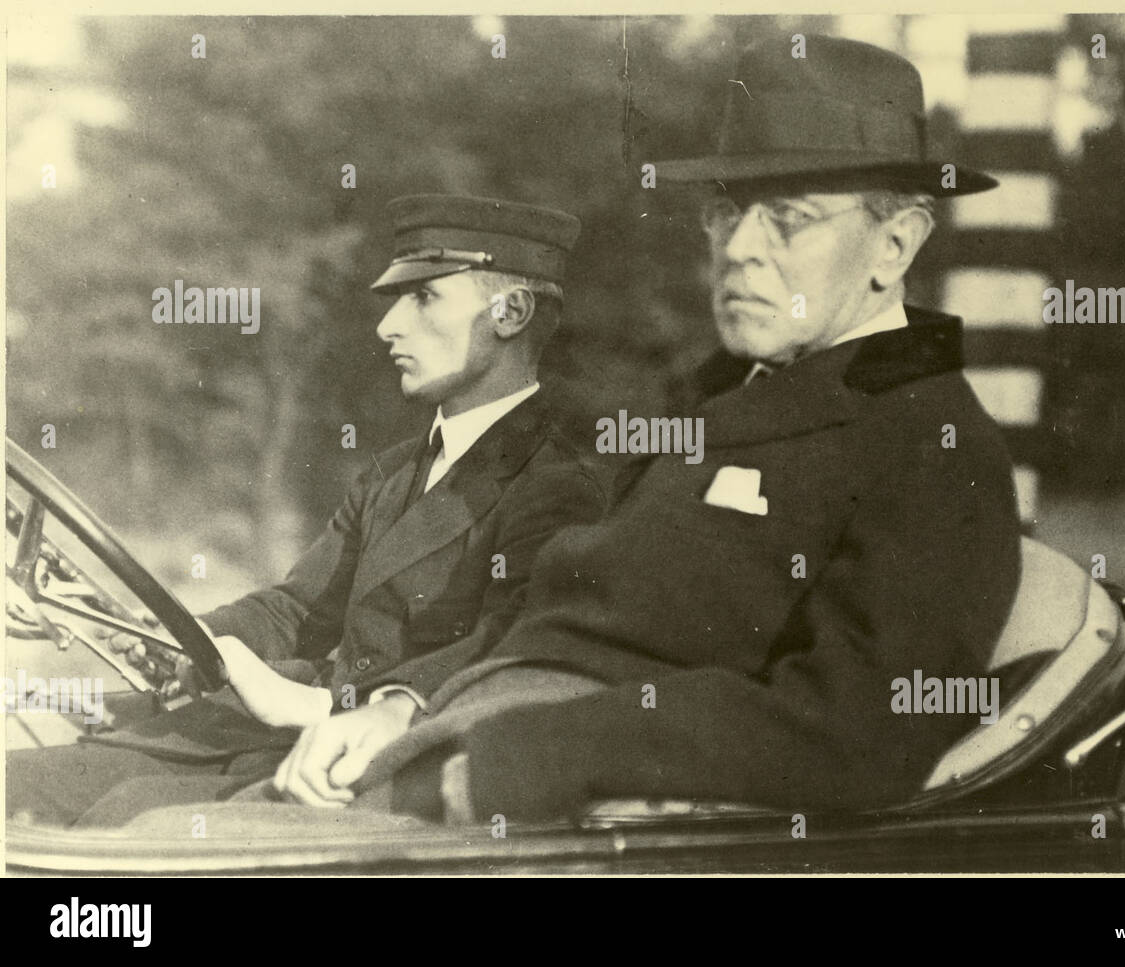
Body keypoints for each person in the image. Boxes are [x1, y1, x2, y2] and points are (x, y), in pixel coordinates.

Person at [279, 35, 1023, 821]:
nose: (738, 250)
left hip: (566, 804)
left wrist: (527, 759)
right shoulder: (706, 403)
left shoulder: (934, 446)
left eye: (789, 222)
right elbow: (544, 620)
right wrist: (400, 704)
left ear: (895, 244)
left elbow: (858, 735)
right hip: (470, 730)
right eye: (726, 214)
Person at [6, 193, 606, 827]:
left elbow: (511, 655)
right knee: (22, 782)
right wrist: (159, 630)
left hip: (376, 770)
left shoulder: (558, 488)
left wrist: (317, 706)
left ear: (510, 313)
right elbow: (297, 608)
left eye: (424, 298)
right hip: (280, 737)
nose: (387, 326)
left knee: (117, 822)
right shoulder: (395, 469)